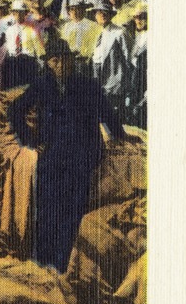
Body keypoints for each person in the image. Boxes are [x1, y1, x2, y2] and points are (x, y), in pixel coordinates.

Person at [9, 35, 128, 272]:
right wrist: (31, 141)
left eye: (65, 60)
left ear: (72, 61)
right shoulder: (42, 85)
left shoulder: (88, 86)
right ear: (48, 63)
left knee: (72, 214)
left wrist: (121, 136)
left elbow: (107, 115)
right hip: (51, 158)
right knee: (47, 212)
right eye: (55, 61)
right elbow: (15, 110)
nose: (61, 65)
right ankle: (43, 263)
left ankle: (62, 266)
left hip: (80, 159)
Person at [90, 0, 133, 122]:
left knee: (114, 110)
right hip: (97, 71)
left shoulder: (119, 32)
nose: (102, 15)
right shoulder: (97, 31)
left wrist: (125, 80)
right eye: (99, 13)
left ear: (110, 15)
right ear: (95, 16)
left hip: (114, 76)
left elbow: (129, 57)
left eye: (105, 13)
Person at [59, 0, 99, 75]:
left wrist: (86, 55)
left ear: (83, 10)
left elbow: (95, 44)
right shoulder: (66, 26)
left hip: (85, 61)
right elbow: (63, 43)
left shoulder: (93, 25)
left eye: (78, 9)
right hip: (69, 61)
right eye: (72, 9)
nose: (75, 12)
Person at [126, 4, 147, 128]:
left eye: (141, 17)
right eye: (135, 18)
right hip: (134, 81)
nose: (138, 20)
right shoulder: (137, 35)